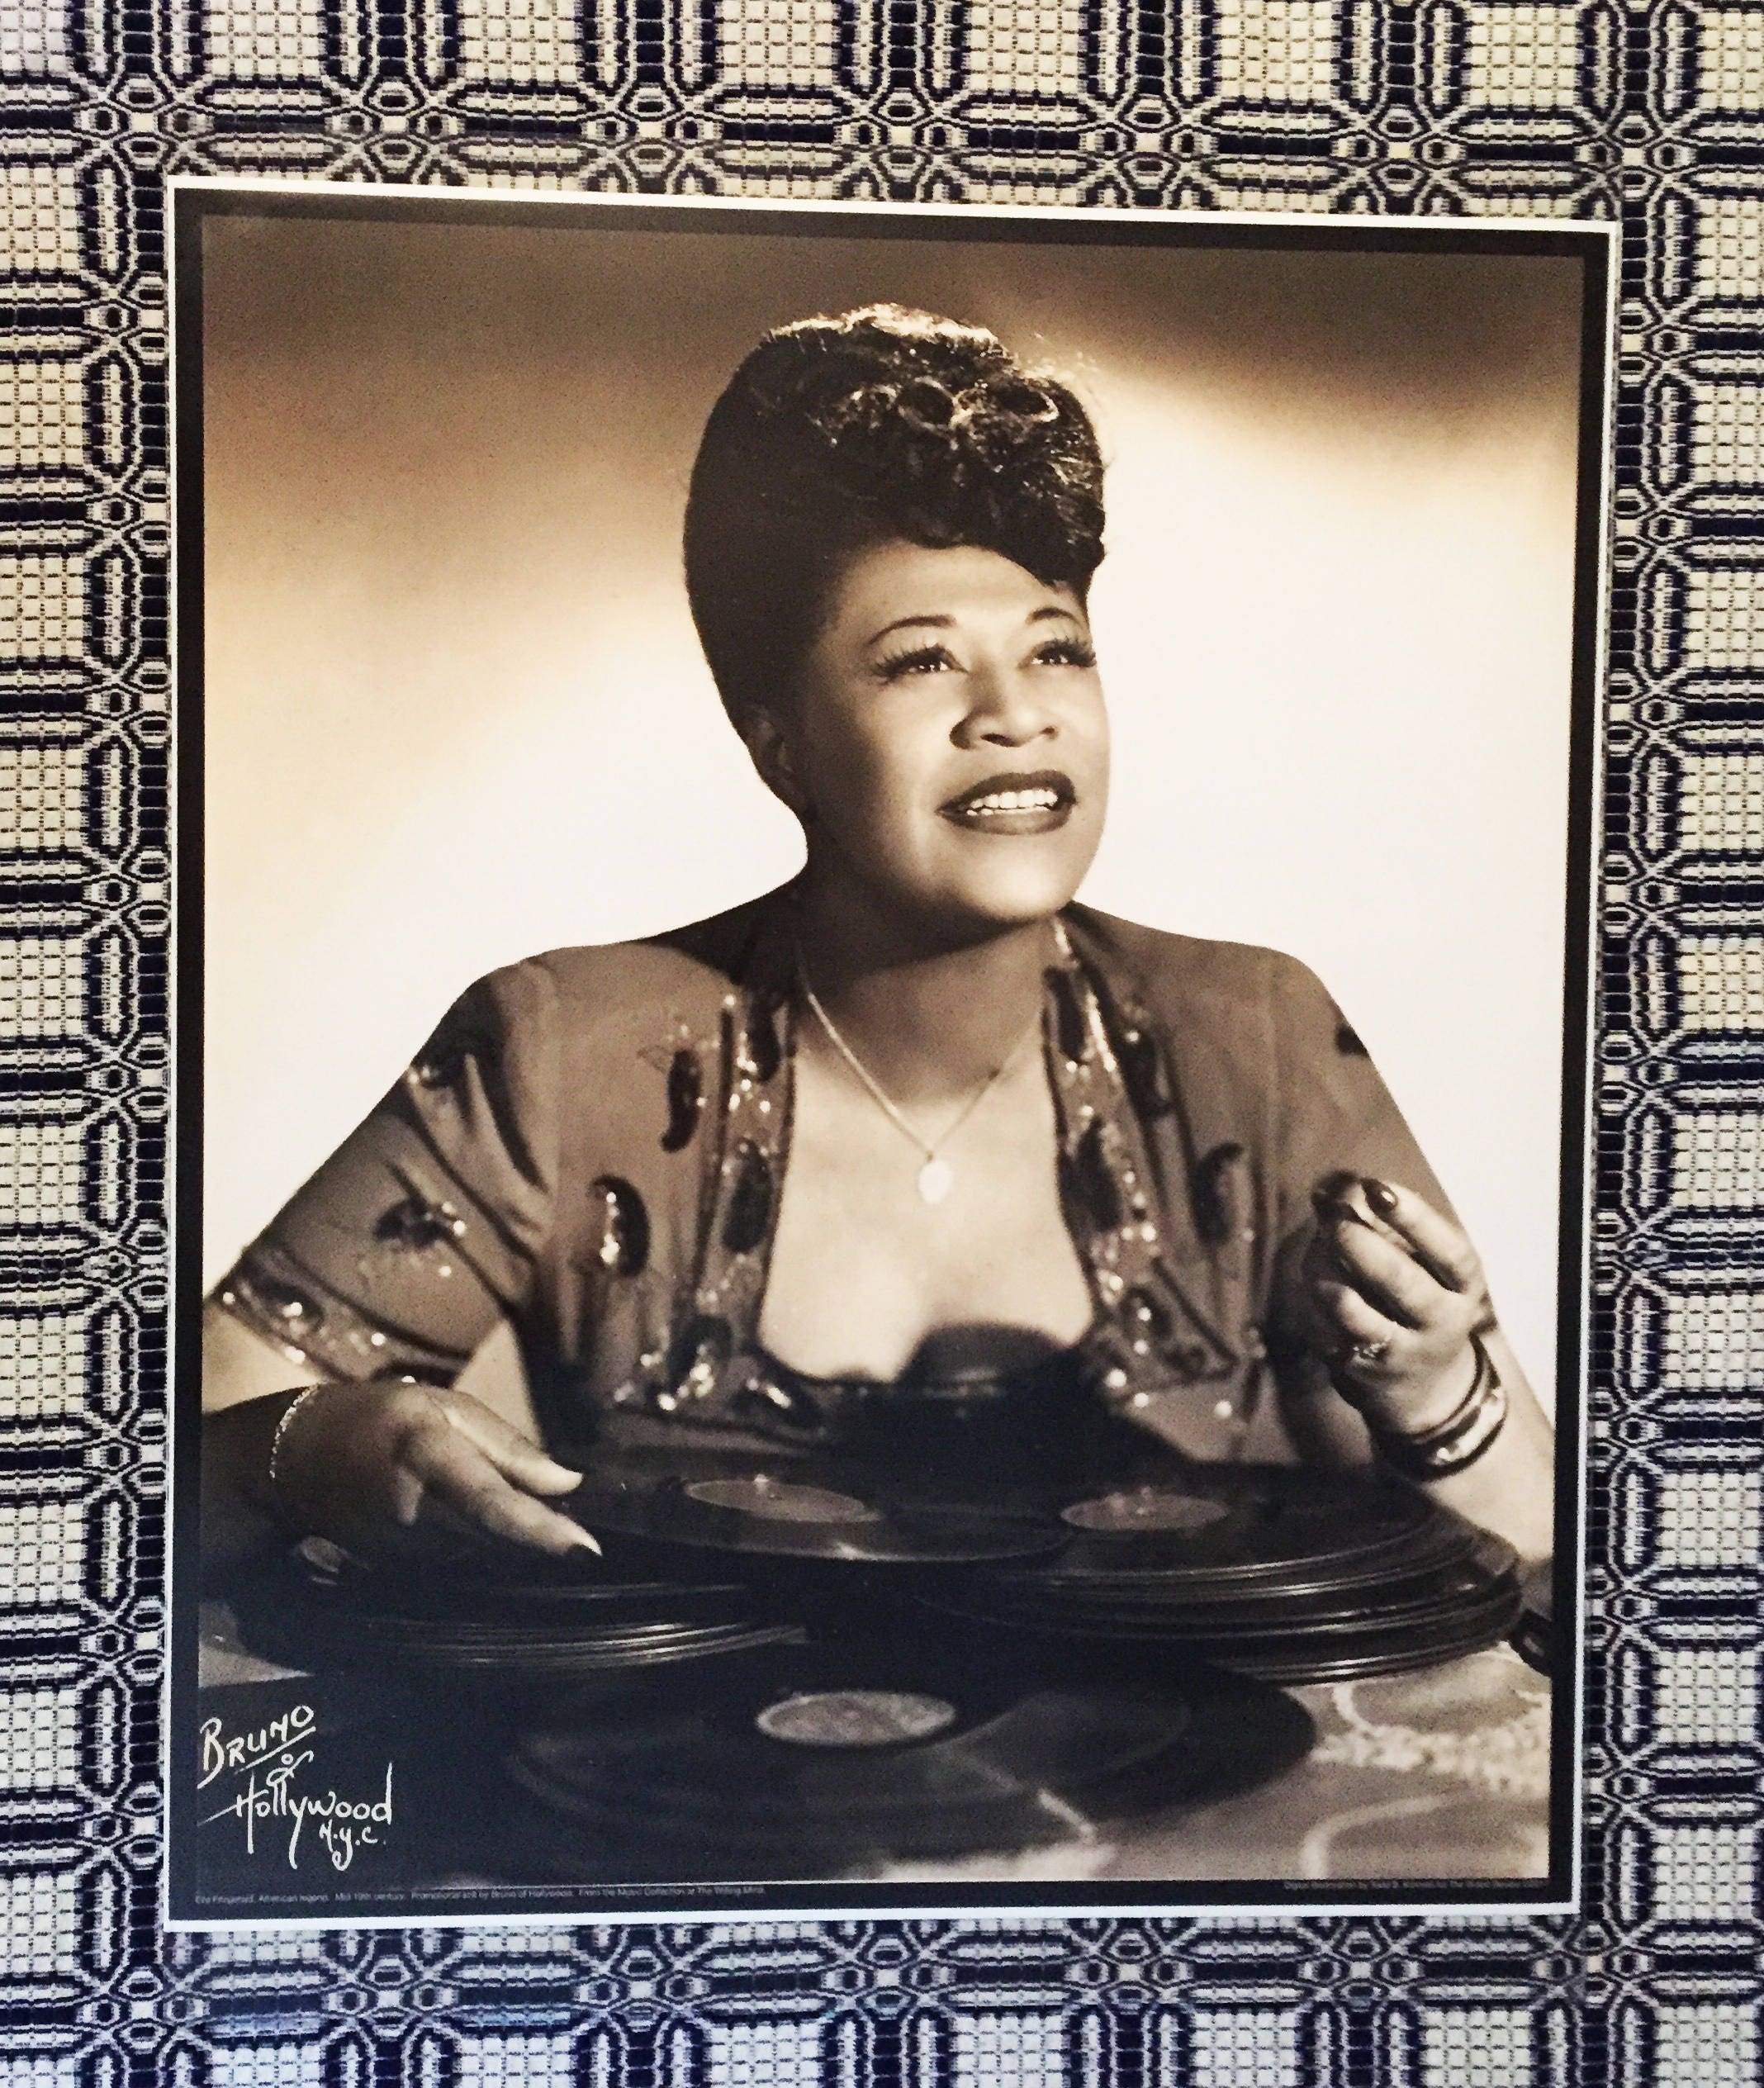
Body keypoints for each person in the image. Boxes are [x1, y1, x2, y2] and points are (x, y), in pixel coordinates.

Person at [201, 305, 1555, 1572]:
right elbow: (158, 1465)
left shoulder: (1251, 1033)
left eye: (1056, 648)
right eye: (921, 662)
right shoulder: (561, 1053)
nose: (1014, 713)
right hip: (711, 1821)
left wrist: (1441, 1395)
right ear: (778, 743)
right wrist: (313, 1441)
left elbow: (1550, 1570)